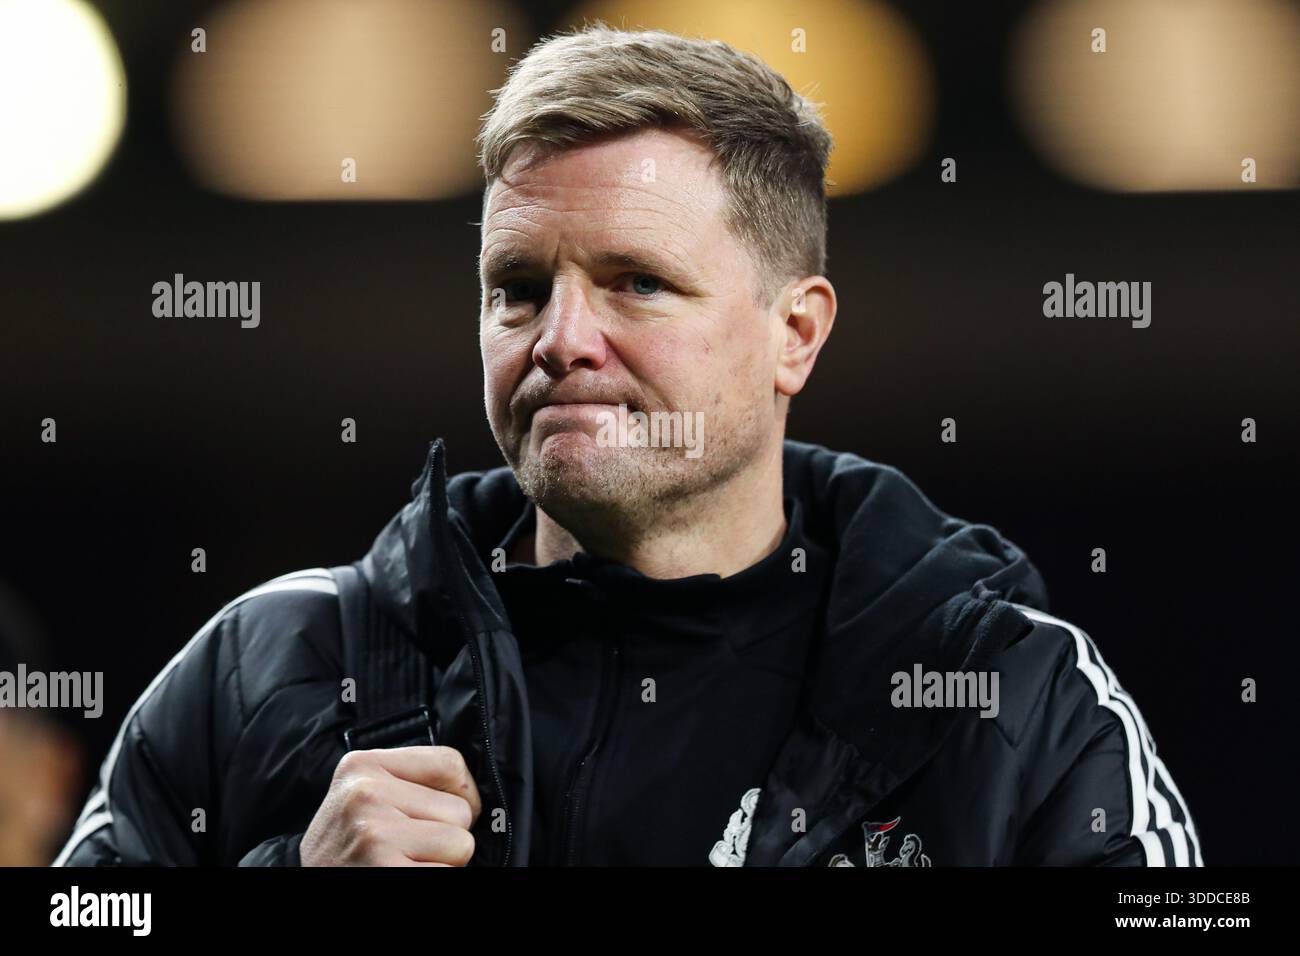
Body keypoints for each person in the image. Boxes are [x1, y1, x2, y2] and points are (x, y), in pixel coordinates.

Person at [55, 25, 1200, 868]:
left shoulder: (1011, 693)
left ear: (793, 334)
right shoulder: (264, 667)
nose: (558, 341)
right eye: (516, 290)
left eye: (636, 283)